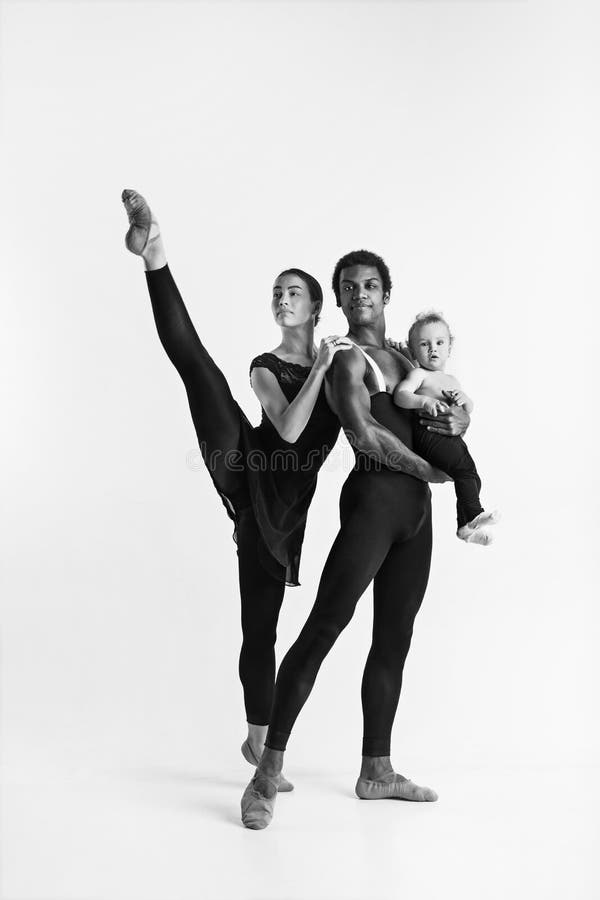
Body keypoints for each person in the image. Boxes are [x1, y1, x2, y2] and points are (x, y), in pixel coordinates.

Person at [121, 189, 352, 791]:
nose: (282, 299)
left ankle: (255, 742)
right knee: (198, 368)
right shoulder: (265, 366)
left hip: (285, 510)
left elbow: (367, 410)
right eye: (276, 292)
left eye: (293, 292)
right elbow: (290, 429)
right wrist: (321, 369)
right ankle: (154, 254)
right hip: (249, 469)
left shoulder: (339, 370)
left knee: (264, 627)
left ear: (315, 308)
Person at [240, 250, 471, 829]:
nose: (360, 293)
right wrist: (428, 471)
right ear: (339, 300)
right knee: (324, 628)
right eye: (349, 287)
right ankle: (265, 773)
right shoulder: (349, 358)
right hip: (373, 504)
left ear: (386, 294)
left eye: (370, 285)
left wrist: (459, 421)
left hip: (416, 517)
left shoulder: (407, 357)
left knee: (394, 639)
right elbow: (364, 433)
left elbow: (445, 414)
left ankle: (377, 770)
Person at [394, 311, 499, 545]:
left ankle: (465, 527)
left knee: (471, 477)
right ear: (413, 351)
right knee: (465, 471)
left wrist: (465, 400)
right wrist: (424, 401)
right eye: (424, 344)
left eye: (439, 343)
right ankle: (474, 514)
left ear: (449, 347)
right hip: (429, 433)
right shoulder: (419, 374)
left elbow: (468, 410)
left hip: (450, 438)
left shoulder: (452, 380)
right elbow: (401, 395)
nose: (433, 348)